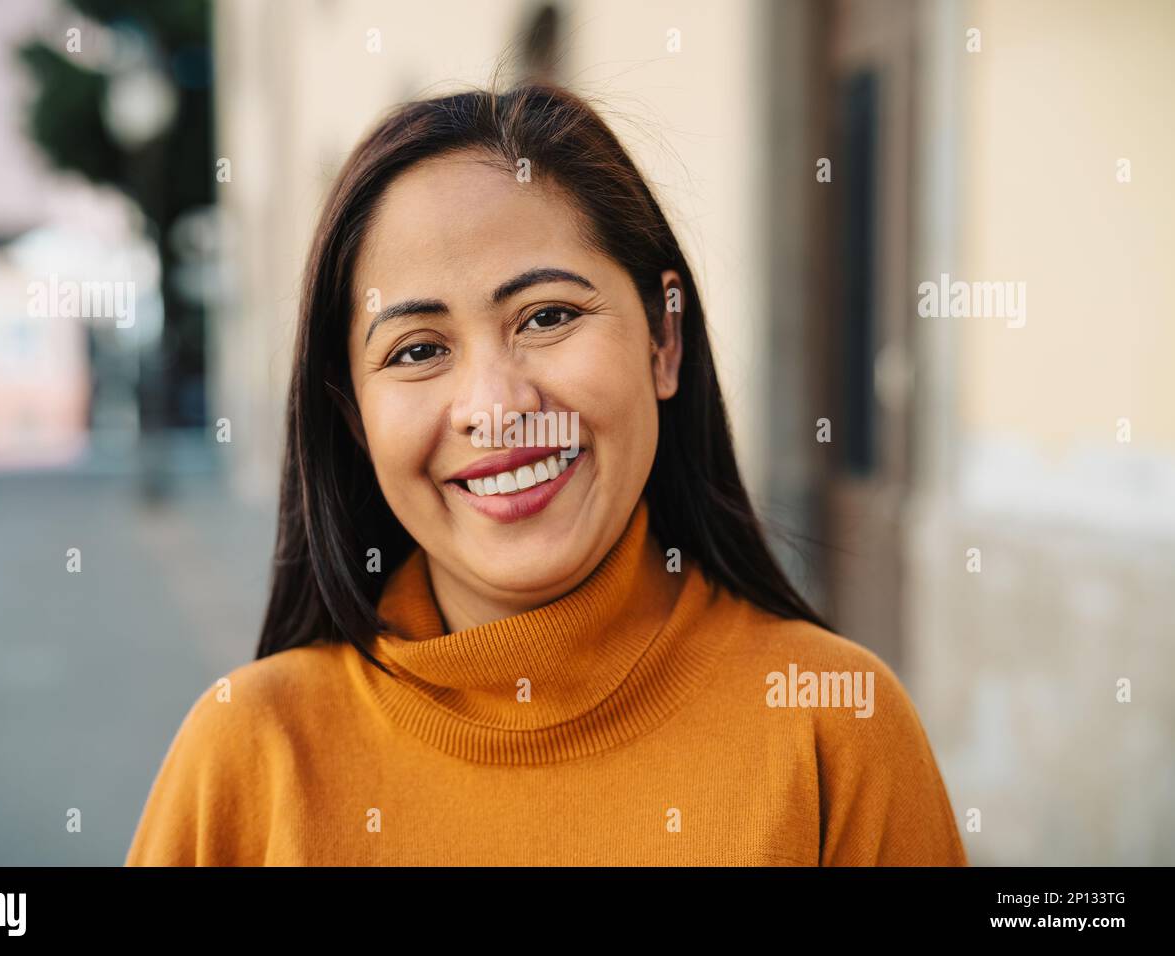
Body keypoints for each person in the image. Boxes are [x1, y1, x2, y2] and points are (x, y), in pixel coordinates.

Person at [125, 81, 967, 866]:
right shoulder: (247, 755)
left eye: (550, 316)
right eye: (418, 351)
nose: (494, 406)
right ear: (354, 417)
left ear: (662, 340)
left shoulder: (835, 723)